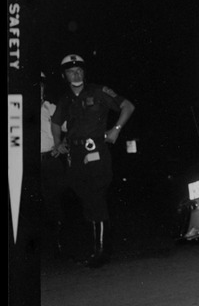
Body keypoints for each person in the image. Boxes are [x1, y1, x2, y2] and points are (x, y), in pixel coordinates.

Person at [50, 54, 135, 267]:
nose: (76, 74)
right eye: (71, 71)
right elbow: (56, 122)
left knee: (95, 195)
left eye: (79, 70)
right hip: (75, 155)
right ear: (65, 75)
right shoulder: (65, 99)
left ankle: (101, 252)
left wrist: (116, 129)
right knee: (86, 197)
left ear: (84, 72)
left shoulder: (98, 91)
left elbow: (128, 106)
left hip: (95, 149)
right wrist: (57, 141)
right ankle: (97, 249)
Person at [40, 71, 66, 252]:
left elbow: (73, 126)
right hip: (24, 164)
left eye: (40, 85)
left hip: (50, 160)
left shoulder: (50, 108)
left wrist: (64, 143)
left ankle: (58, 245)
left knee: (54, 203)